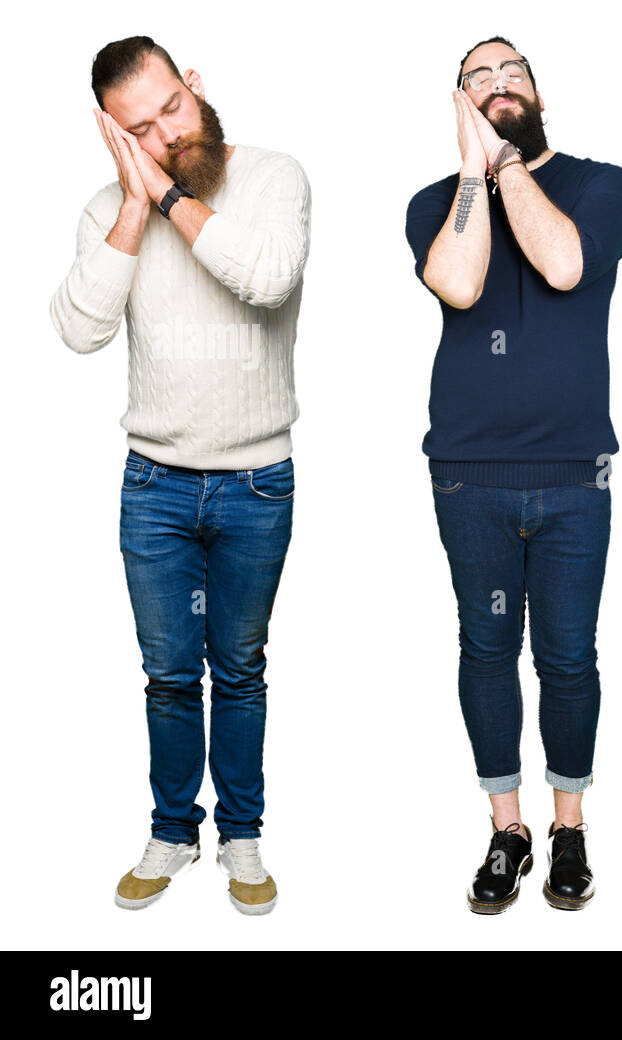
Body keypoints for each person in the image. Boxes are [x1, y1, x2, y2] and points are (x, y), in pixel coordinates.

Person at [50, 36, 310, 916]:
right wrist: (134, 205)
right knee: (168, 675)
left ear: (193, 86)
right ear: (116, 137)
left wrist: (165, 191)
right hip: (155, 488)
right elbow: (79, 329)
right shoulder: (110, 210)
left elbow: (267, 279)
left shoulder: (273, 177)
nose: (167, 131)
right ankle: (172, 832)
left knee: (238, 668)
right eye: (141, 130)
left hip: (254, 483)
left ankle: (241, 835)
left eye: (172, 106)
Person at [404, 36, 622, 914]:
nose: (500, 86)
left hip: (575, 474)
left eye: (514, 74)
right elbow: (460, 286)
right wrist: (475, 171)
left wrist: (505, 167)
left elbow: (563, 263)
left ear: (539, 93)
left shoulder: (601, 183)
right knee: (487, 651)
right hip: (469, 476)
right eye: (479, 80)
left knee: (569, 658)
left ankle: (569, 825)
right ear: (458, 104)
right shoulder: (435, 202)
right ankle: (508, 828)